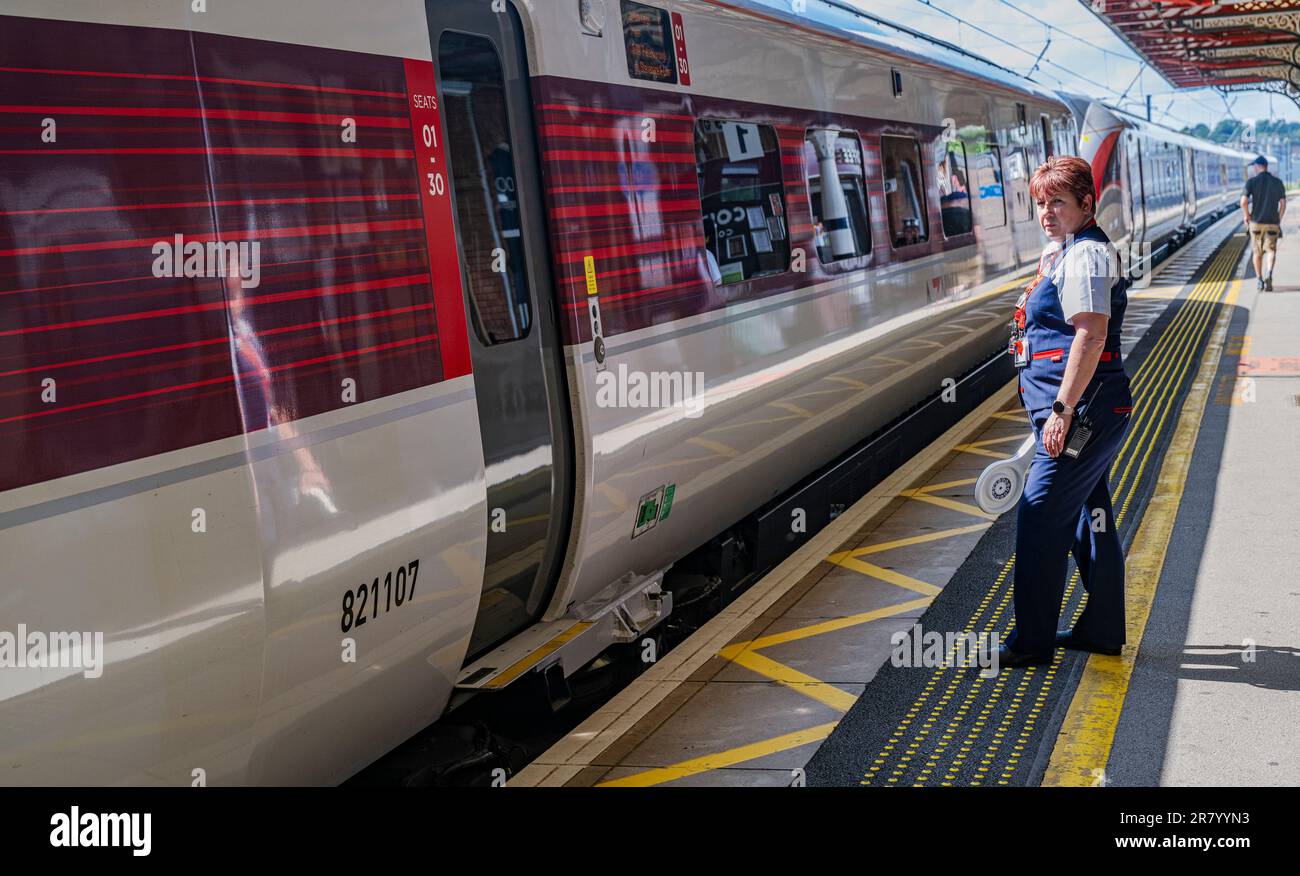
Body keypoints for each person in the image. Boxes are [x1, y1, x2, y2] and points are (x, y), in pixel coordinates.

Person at [995, 155, 1134, 667]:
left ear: (1086, 204)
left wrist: (1060, 410)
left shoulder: (1087, 256)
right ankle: (1101, 629)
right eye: (1040, 203)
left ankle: (1030, 644)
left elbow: (1091, 333)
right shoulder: (1070, 251)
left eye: (1057, 201)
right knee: (1089, 520)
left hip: (1081, 415)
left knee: (1038, 519)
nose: (1046, 212)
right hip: (1087, 411)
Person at [1241, 155, 1286, 292]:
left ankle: (1259, 280)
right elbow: (1283, 203)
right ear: (1266, 166)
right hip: (1272, 222)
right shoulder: (1277, 182)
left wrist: (1246, 216)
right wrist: (1279, 217)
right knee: (1271, 250)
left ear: (1256, 167)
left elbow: (1243, 202)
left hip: (1256, 223)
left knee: (1257, 252)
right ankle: (1269, 274)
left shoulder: (1251, 182)